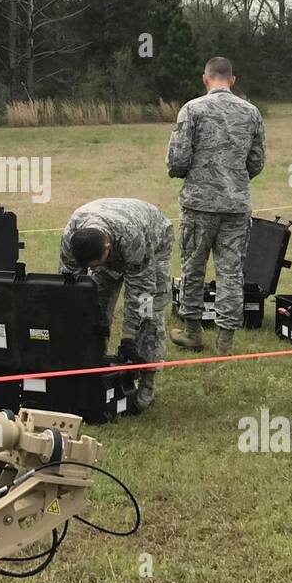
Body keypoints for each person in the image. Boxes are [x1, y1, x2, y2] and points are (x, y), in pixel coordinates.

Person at [166, 56, 266, 358]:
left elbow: (177, 161)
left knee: (193, 269)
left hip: (199, 205)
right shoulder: (251, 112)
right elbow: (257, 161)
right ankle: (225, 343)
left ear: (205, 78)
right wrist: (233, 178)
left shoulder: (192, 109)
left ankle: (192, 333)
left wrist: (191, 174)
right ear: (232, 80)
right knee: (231, 272)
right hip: (236, 206)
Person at [59, 197, 172, 412]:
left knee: (150, 313)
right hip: (109, 235)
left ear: (108, 249)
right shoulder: (71, 238)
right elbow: (68, 284)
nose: (97, 268)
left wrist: (129, 337)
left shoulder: (133, 238)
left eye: (98, 264)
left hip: (154, 238)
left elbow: (142, 292)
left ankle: (146, 384)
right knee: (95, 307)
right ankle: (95, 368)